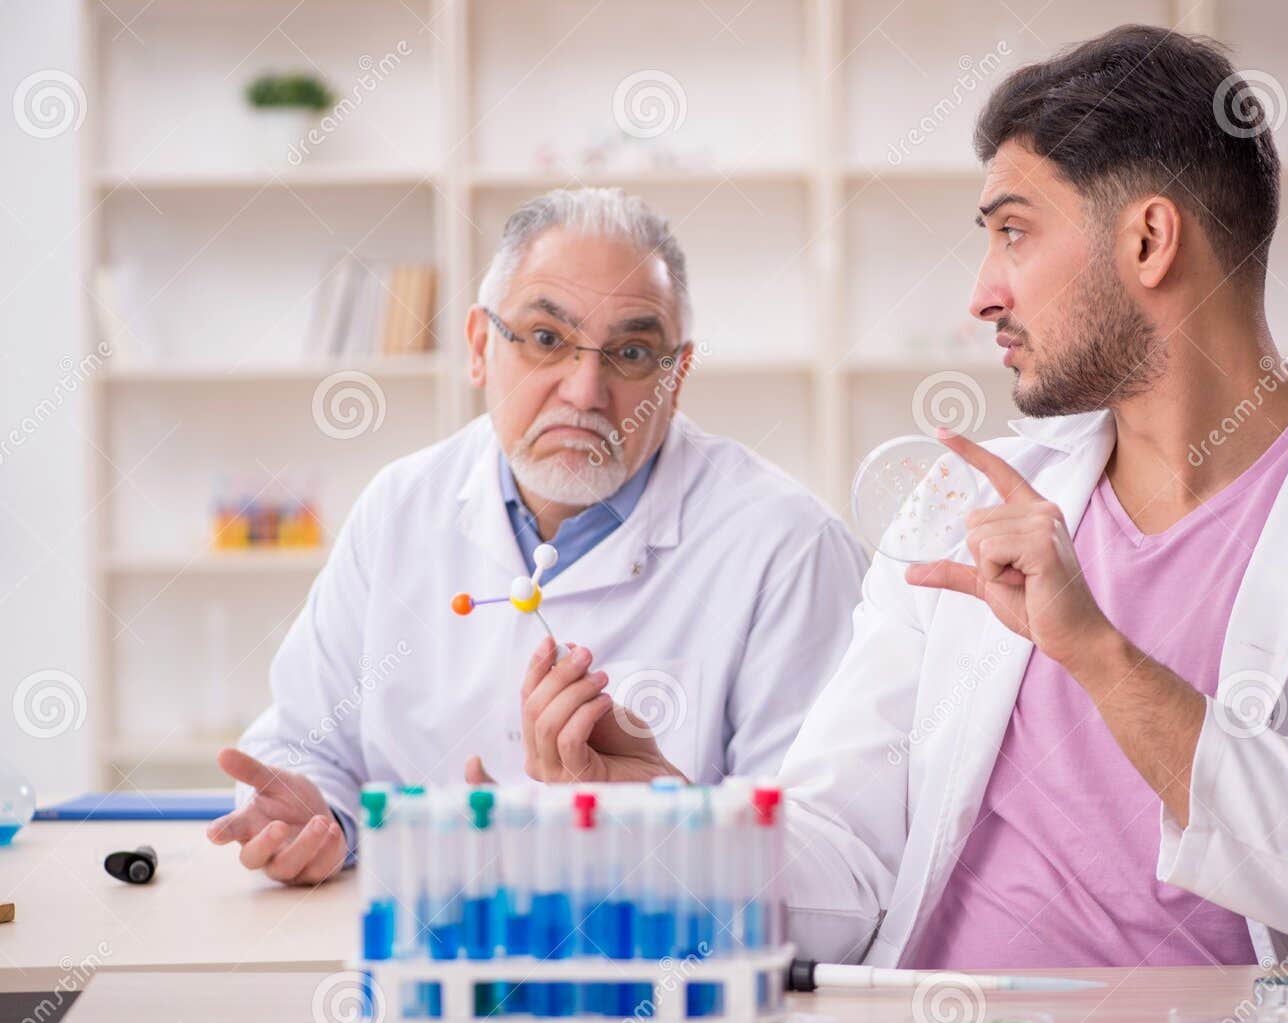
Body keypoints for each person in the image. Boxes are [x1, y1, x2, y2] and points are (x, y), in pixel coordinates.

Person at [777, 26, 1288, 969]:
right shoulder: (966, 498)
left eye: (1013, 231)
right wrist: (670, 839)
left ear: (1148, 239)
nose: (982, 293)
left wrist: (1095, 652)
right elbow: (842, 853)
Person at [207, 188, 865, 885]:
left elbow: (829, 861)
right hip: (431, 950)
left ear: (676, 378)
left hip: (660, 971)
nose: (584, 390)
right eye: (547, 339)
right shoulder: (399, 509)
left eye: (633, 352)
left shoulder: (789, 547)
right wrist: (319, 818)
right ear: (479, 347)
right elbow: (304, 740)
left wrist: (670, 815)